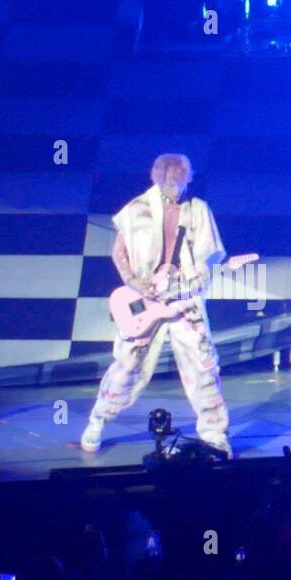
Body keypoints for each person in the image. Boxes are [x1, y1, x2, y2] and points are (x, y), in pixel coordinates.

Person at [81, 154, 232, 456]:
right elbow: (119, 253)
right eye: (170, 177)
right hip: (146, 300)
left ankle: (214, 433)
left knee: (203, 366)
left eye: (181, 177)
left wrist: (200, 276)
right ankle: (97, 421)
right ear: (159, 177)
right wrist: (133, 282)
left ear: (188, 177)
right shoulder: (135, 210)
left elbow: (209, 255)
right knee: (126, 365)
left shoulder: (198, 210)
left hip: (184, 299)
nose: (175, 183)